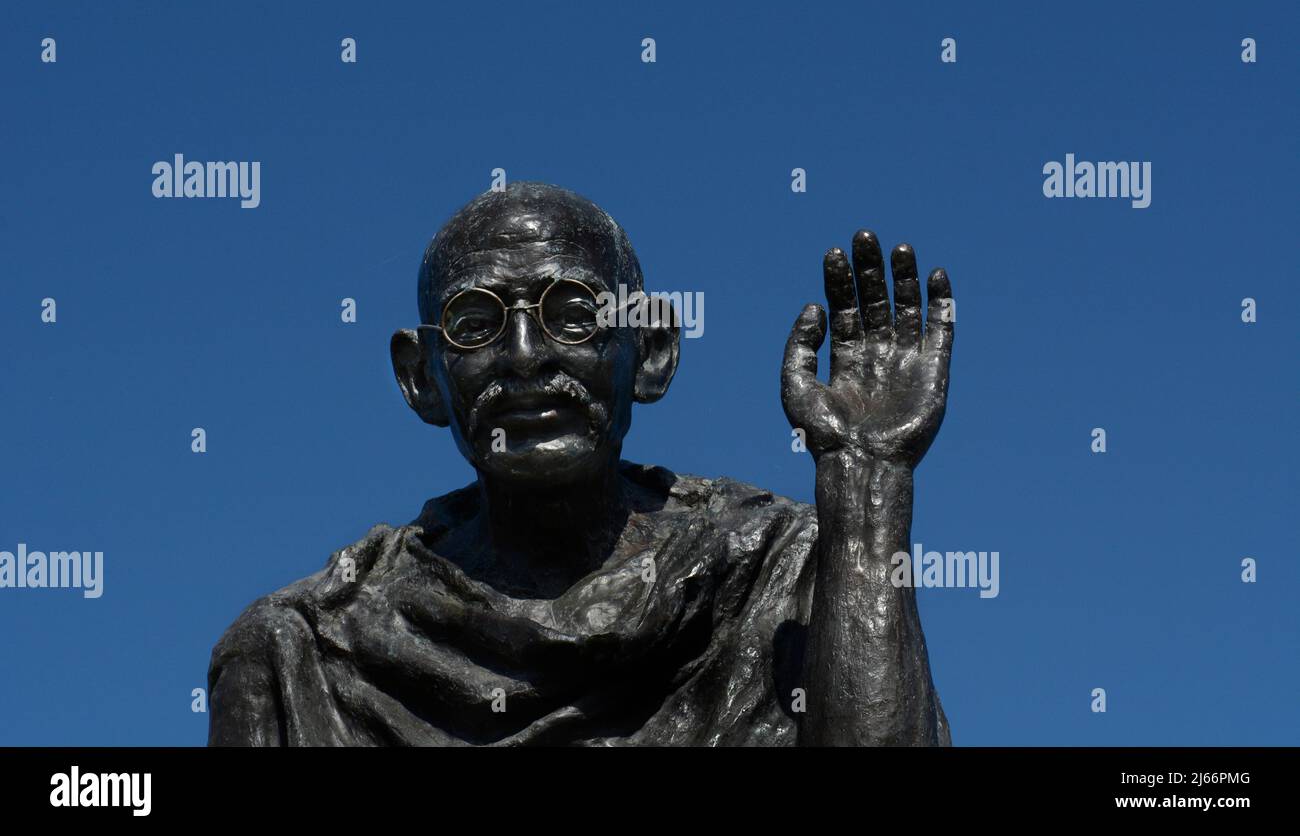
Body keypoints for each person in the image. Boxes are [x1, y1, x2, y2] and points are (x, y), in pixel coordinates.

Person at [207, 181, 955, 746]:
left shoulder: (777, 576)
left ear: (652, 352)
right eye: (476, 325)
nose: (526, 359)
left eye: (574, 315)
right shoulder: (302, 654)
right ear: (422, 377)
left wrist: (866, 484)